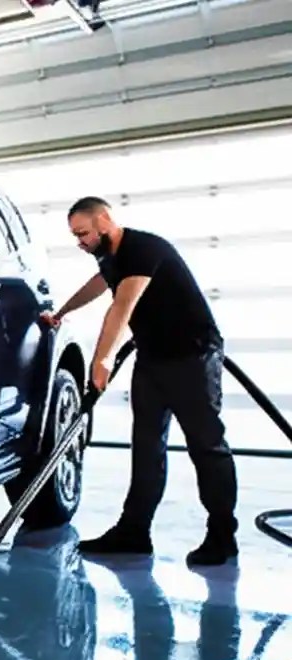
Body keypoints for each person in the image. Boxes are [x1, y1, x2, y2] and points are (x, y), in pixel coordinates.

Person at [40, 196, 238, 566]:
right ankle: (134, 532)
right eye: (75, 236)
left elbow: (122, 305)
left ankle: (222, 535)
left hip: (192, 357)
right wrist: (62, 312)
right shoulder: (109, 257)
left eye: (83, 233)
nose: (79, 242)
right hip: (152, 358)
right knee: (146, 447)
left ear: (103, 221)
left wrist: (102, 359)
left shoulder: (144, 248)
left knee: (206, 445)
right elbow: (99, 286)